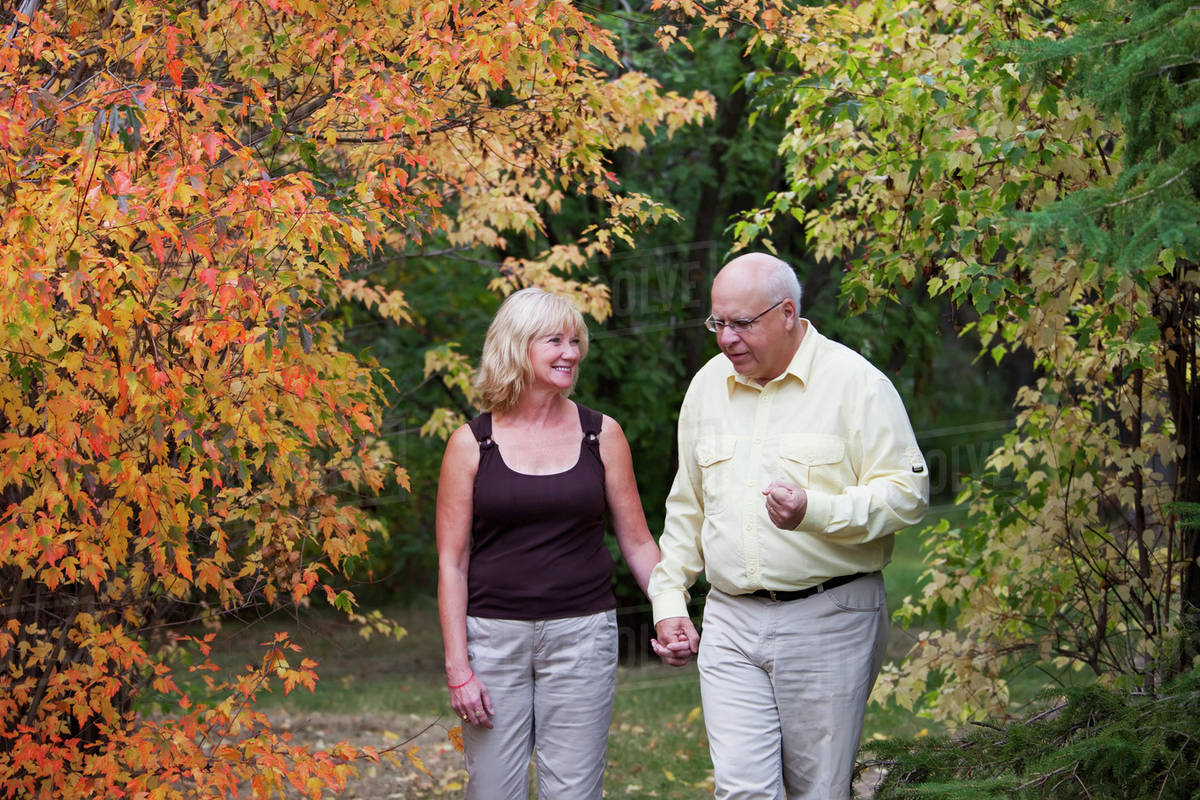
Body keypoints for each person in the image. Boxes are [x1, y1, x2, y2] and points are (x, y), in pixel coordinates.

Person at [648, 252, 930, 800]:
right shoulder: (707, 386)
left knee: (818, 791)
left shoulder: (856, 384)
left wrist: (815, 513)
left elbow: (908, 496)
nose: (726, 339)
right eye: (718, 323)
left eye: (741, 324)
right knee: (744, 791)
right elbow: (687, 507)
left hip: (830, 618)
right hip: (730, 622)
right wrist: (668, 601)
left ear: (786, 314)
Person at [436, 287, 661, 800]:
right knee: (493, 791)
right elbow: (452, 562)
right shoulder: (472, 443)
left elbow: (640, 541)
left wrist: (670, 610)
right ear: (517, 347)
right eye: (554, 340)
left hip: (582, 638)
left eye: (575, 340)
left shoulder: (601, 435)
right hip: (492, 641)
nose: (571, 352)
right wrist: (458, 669)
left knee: (575, 792)